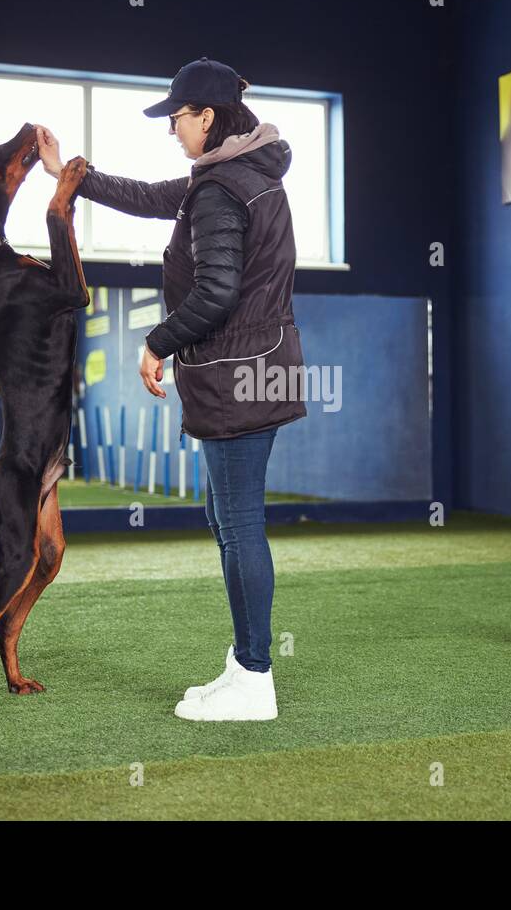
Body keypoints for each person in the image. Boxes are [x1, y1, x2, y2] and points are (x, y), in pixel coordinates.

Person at [36, 57, 307, 721]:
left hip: (238, 377)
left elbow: (216, 291)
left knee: (239, 522)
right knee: (228, 517)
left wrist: (157, 343)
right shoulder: (232, 177)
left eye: (177, 117)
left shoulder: (221, 189)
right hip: (250, 371)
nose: (172, 130)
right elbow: (154, 197)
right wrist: (70, 174)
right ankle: (246, 663)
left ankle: (256, 680)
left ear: (207, 116)